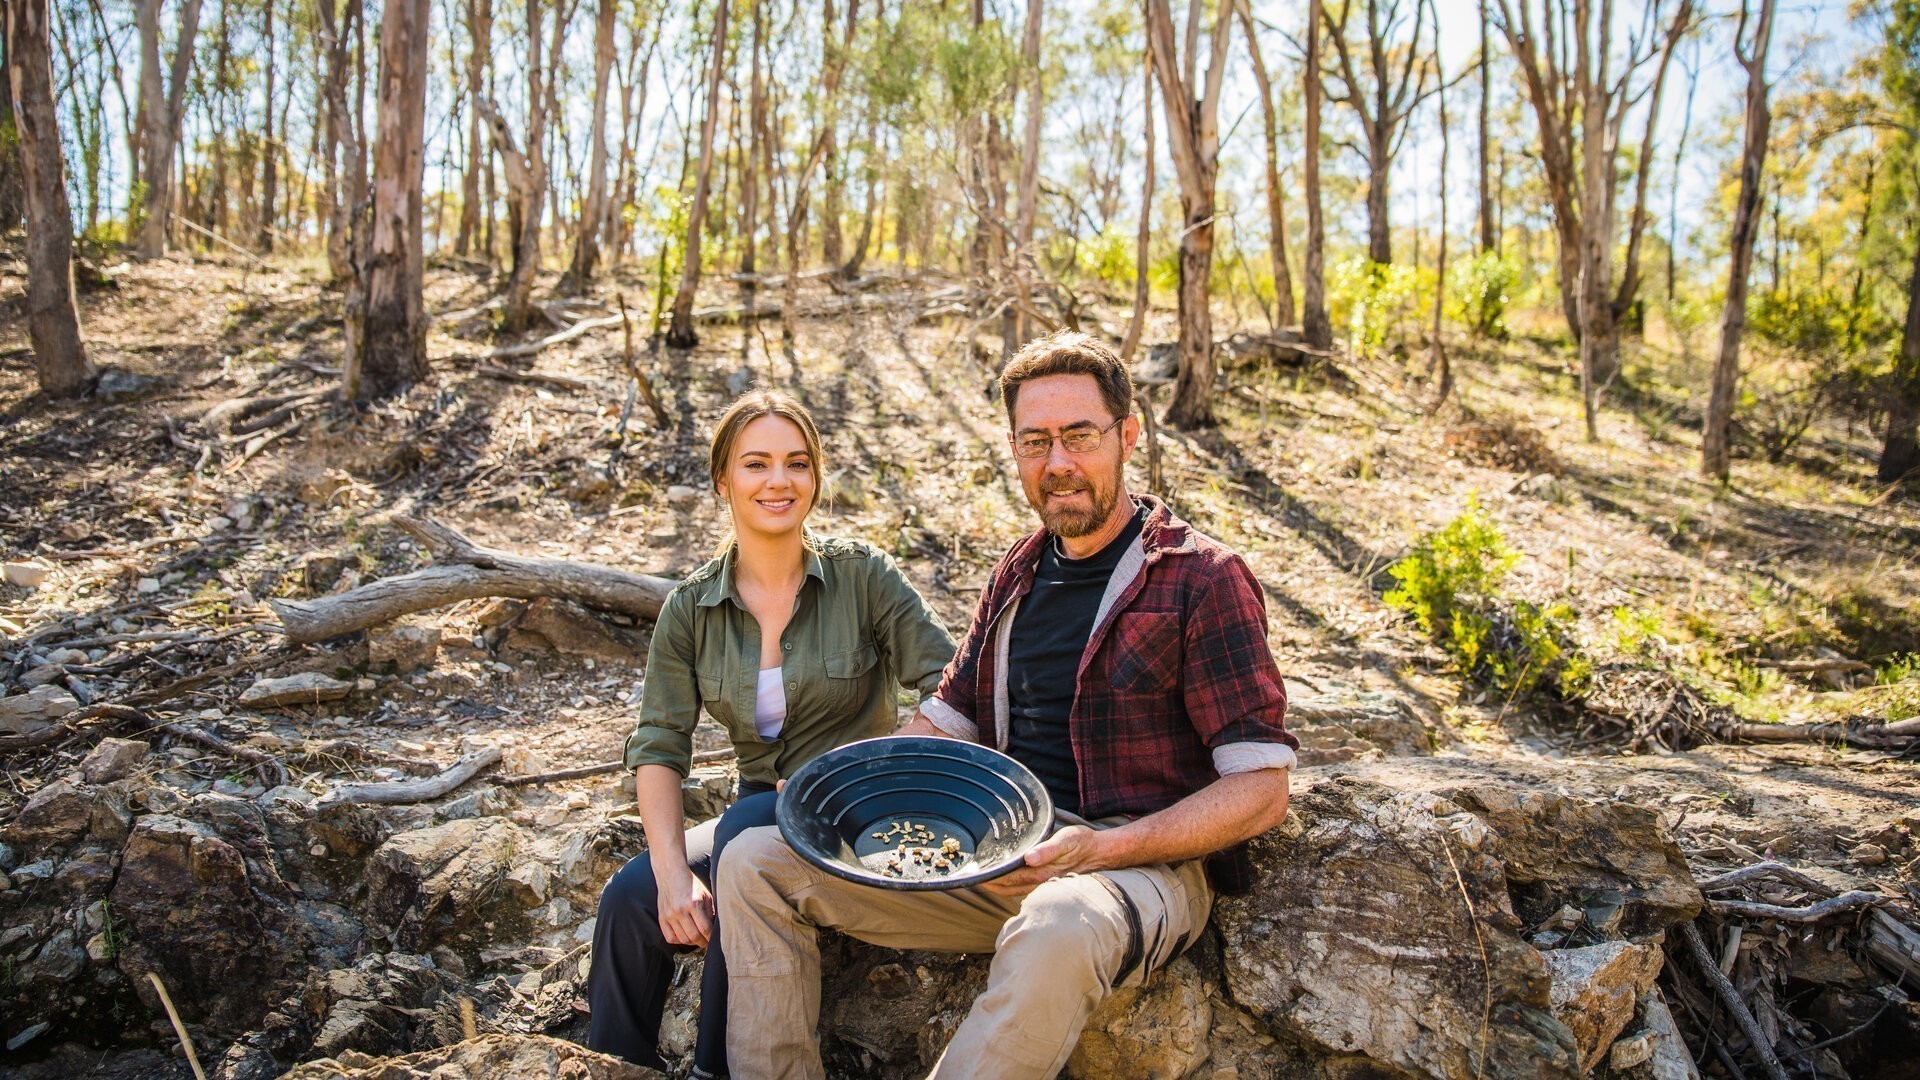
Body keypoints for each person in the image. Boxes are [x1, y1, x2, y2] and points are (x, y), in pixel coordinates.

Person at [715, 331, 1300, 1080]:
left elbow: (1261, 789)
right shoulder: (1017, 573)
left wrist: (1102, 850)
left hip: (1140, 869)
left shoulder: (1202, 579)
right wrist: (842, 782)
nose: (1058, 463)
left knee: (1057, 923)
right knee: (753, 861)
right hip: (999, 857)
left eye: (1080, 437)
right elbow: (946, 721)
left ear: (1127, 436)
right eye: (1036, 442)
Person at [585, 389, 956, 1079]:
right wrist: (670, 877)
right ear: (724, 481)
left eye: (796, 462)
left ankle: (715, 1070)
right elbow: (660, 745)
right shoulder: (690, 607)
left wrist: (866, 763)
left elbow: (952, 686)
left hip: (865, 809)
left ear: (816, 476)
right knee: (628, 901)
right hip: (758, 810)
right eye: (756, 464)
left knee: (742, 832)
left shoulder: (863, 577)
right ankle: (613, 1064)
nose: (778, 481)